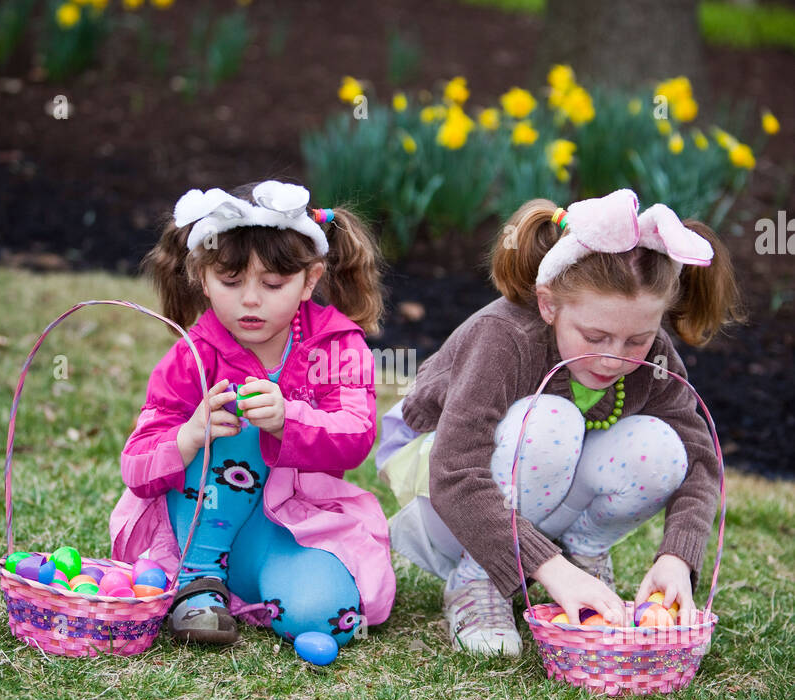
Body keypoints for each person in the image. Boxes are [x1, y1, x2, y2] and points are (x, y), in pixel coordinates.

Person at [377, 188, 745, 656]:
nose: (614, 358)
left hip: (536, 486)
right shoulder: (505, 339)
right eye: (595, 336)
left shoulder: (654, 359)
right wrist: (551, 571)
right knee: (552, 421)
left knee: (663, 447)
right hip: (439, 489)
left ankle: (582, 554)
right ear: (549, 304)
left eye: (637, 339)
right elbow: (454, 472)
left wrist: (677, 556)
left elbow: (697, 458)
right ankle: (479, 575)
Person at [110, 180, 395, 647]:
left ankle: (251, 591)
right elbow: (137, 465)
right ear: (202, 278)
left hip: (288, 531)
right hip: (200, 527)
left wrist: (290, 419)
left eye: (273, 284)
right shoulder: (193, 357)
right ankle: (198, 584)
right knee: (229, 413)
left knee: (323, 618)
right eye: (231, 281)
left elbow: (357, 434)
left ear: (310, 280)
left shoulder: (335, 346)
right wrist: (189, 436)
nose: (250, 300)